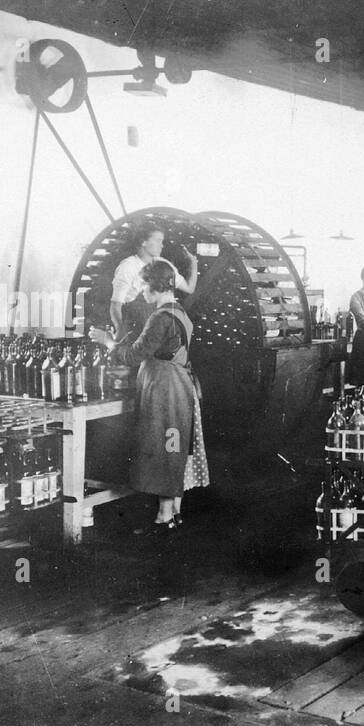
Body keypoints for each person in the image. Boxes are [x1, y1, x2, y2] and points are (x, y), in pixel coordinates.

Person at [90, 259, 208, 534]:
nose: (142, 291)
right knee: (174, 447)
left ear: (155, 286)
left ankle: (163, 519)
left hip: (164, 389)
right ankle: (174, 514)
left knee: (164, 448)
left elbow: (133, 355)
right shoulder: (180, 312)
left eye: (143, 285)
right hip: (180, 387)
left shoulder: (160, 317)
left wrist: (107, 341)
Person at [110, 223, 198, 340]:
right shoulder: (128, 266)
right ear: (143, 242)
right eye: (158, 240)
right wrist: (120, 331)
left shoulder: (163, 264)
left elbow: (189, 288)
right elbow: (115, 305)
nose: (162, 245)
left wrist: (193, 263)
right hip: (136, 321)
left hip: (160, 320)